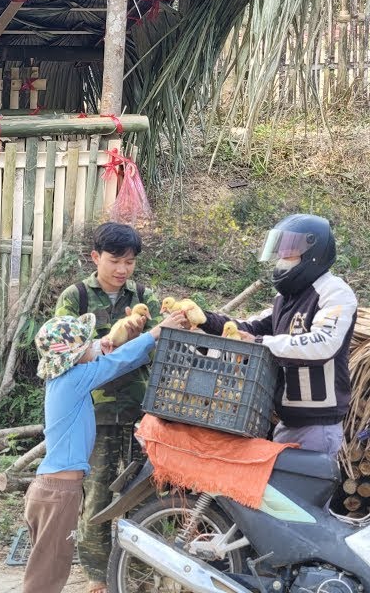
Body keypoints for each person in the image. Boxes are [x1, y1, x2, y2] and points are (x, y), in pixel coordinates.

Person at [23, 310, 187, 593]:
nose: (93, 345)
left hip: (51, 489)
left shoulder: (63, 378)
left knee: (47, 566)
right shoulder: (75, 379)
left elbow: (100, 352)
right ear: (73, 357)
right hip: (59, 492)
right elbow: (117, 363)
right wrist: (156, 331)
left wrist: (101, 346)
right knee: (47, 574)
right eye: (88, 343)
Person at [51, 222, 161, 592]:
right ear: (96, 257)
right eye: (115, 260)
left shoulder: (145, 297)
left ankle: (141, 571)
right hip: (93, 412)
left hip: (140, 410)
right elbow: (62, 350)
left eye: (130, 262)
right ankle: (98, 576)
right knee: (96, 493)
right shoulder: (76, 297)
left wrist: (148, 337)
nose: (122, 269)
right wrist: (114, 340)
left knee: (143, 492)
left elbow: (163, 348)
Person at [200, 214, 358, 457]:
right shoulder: (285, 299)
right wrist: (203, 319)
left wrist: (262, 343)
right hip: (287, 421)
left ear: (313, 252)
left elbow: (324, 343)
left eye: (290, 250)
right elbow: (248, 327)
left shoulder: (334, 292)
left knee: (297, 495)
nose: (283, 257)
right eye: (281, 249)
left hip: (317, 426)